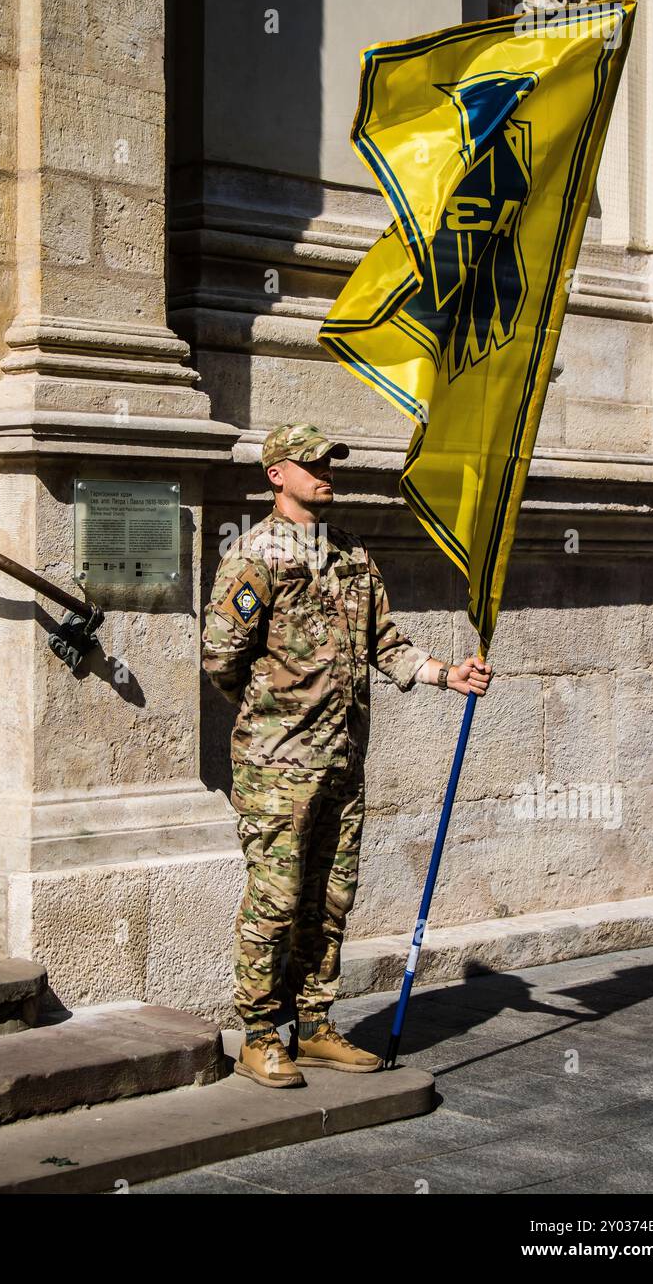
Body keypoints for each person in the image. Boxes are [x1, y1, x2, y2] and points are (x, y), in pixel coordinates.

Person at [201, 424, 494, 1088]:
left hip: (341, 763)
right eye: (310, 463)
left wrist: (448, 674)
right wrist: (275, 715)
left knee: (330, 900)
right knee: (274, 901)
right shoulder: (255, 556)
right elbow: (220, 658)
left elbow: (384, 642)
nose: (323, 472)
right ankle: (258, 1034)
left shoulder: (353, 554)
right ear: (277, 473)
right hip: (276, 767)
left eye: (329, 461)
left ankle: (313, 1026)